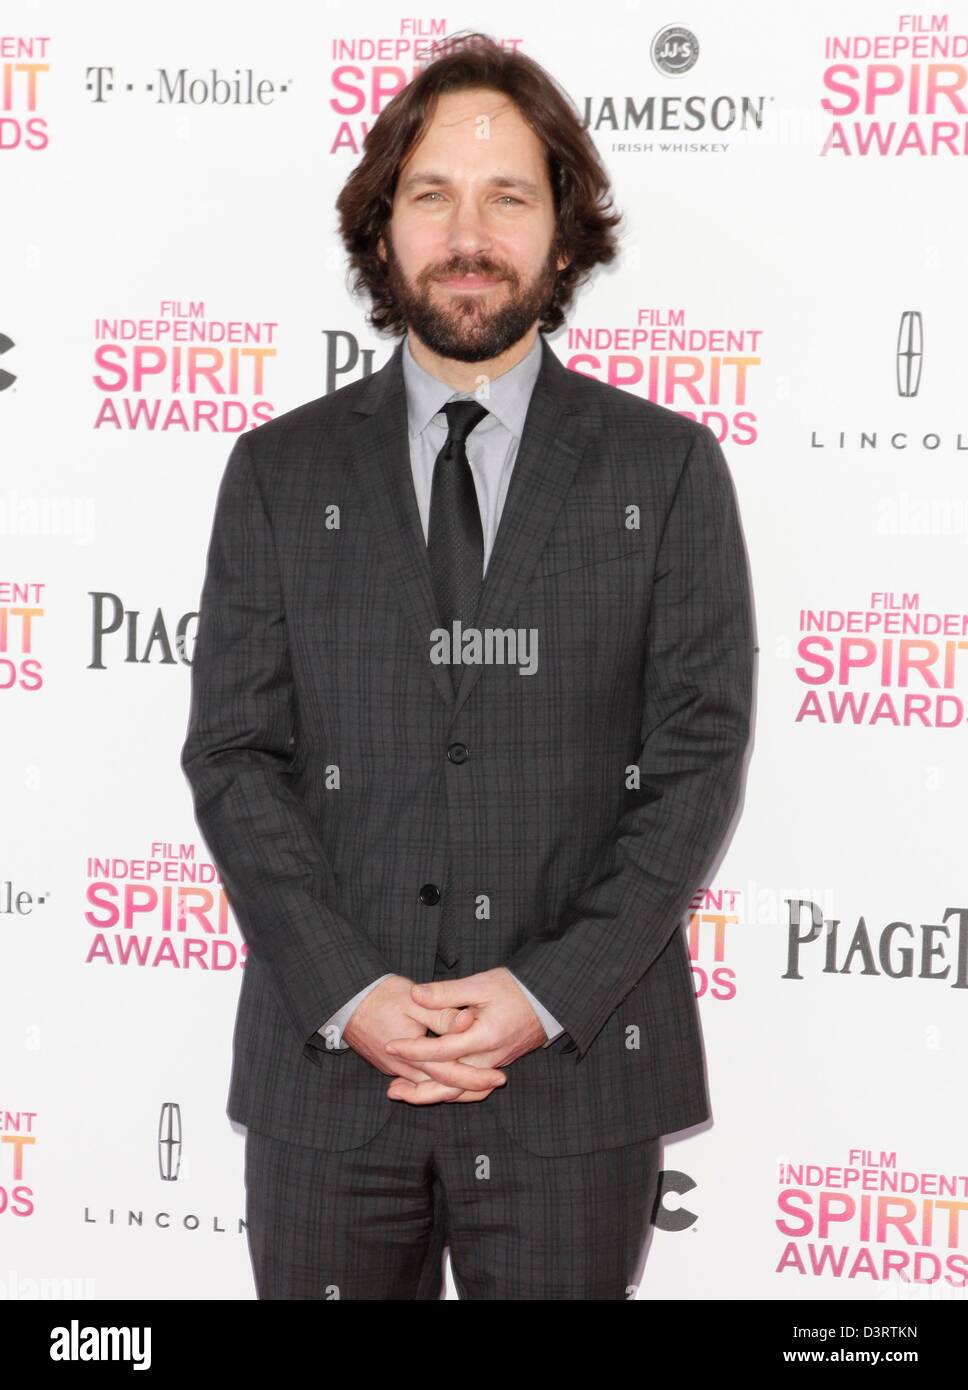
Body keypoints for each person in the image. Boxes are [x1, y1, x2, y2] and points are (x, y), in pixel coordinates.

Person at [180, 32, 756, 1300]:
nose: (468, 232)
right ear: (382, 226)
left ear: (564, 227)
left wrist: (545, 993)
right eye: (432, 193)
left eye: (508, 194)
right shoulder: (279, 475)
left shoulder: (661, 471)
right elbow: (232, 757)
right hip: (330, 1076)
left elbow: (697, 763)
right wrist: (352, 989)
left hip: (573, 1077)